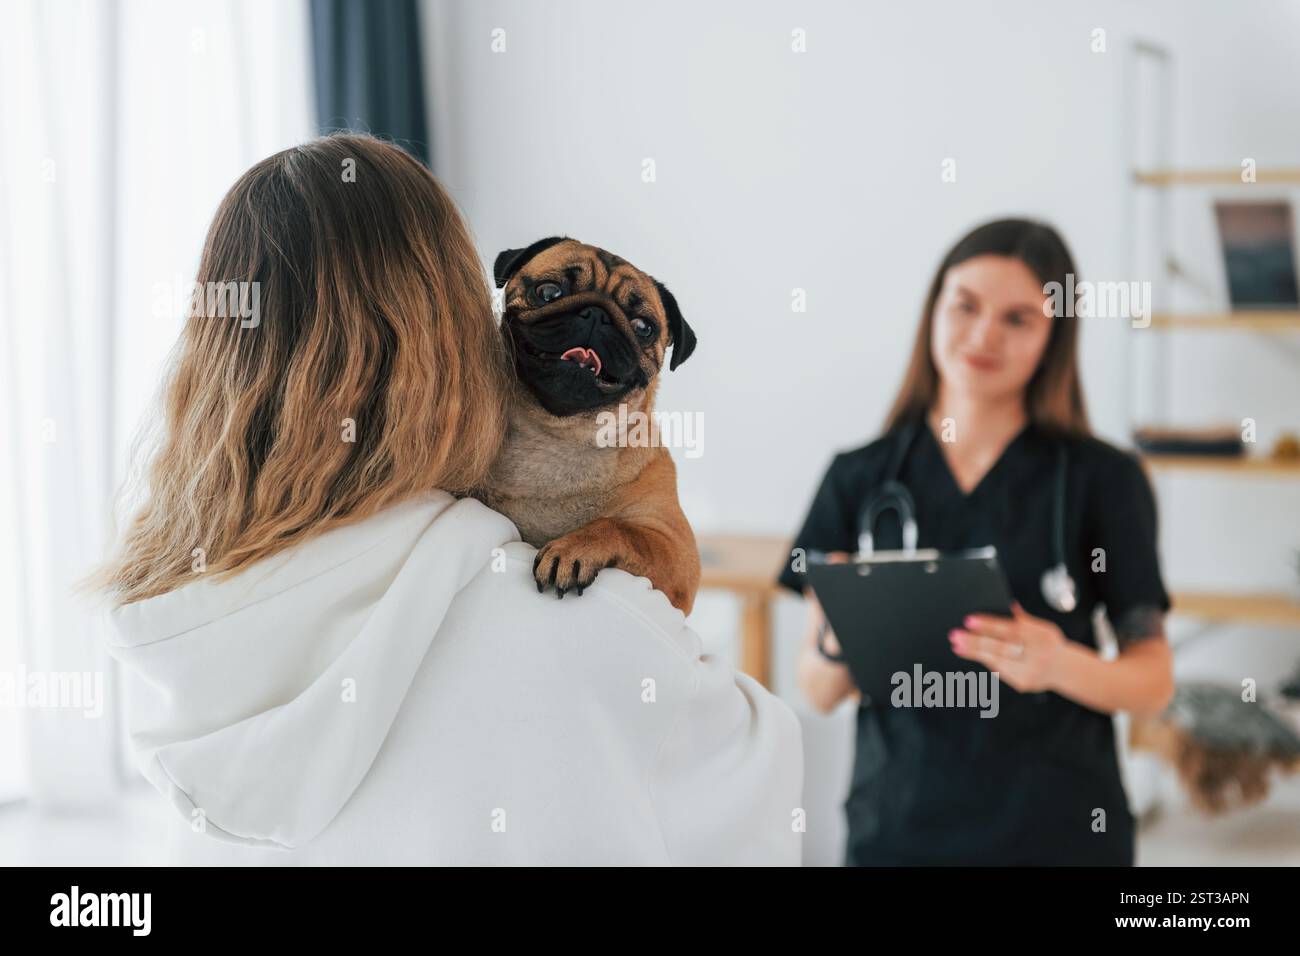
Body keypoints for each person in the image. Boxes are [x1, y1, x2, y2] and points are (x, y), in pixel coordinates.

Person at [96, 133, 802, 866]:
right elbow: (755, 788)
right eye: (552, 293)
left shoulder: (177, 619)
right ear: (455, 328)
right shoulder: (583, 624)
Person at [777, 218, 1174, 866]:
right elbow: (818, 691)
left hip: (1060, 830)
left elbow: (1153, 683)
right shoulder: (859, 476)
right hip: (899, 829)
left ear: (1054, 337)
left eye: (1018, 318)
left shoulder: (1106, 479)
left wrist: (1058, 664)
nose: (985, 334)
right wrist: (837, 637)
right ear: (934, 308)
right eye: (966, 306)